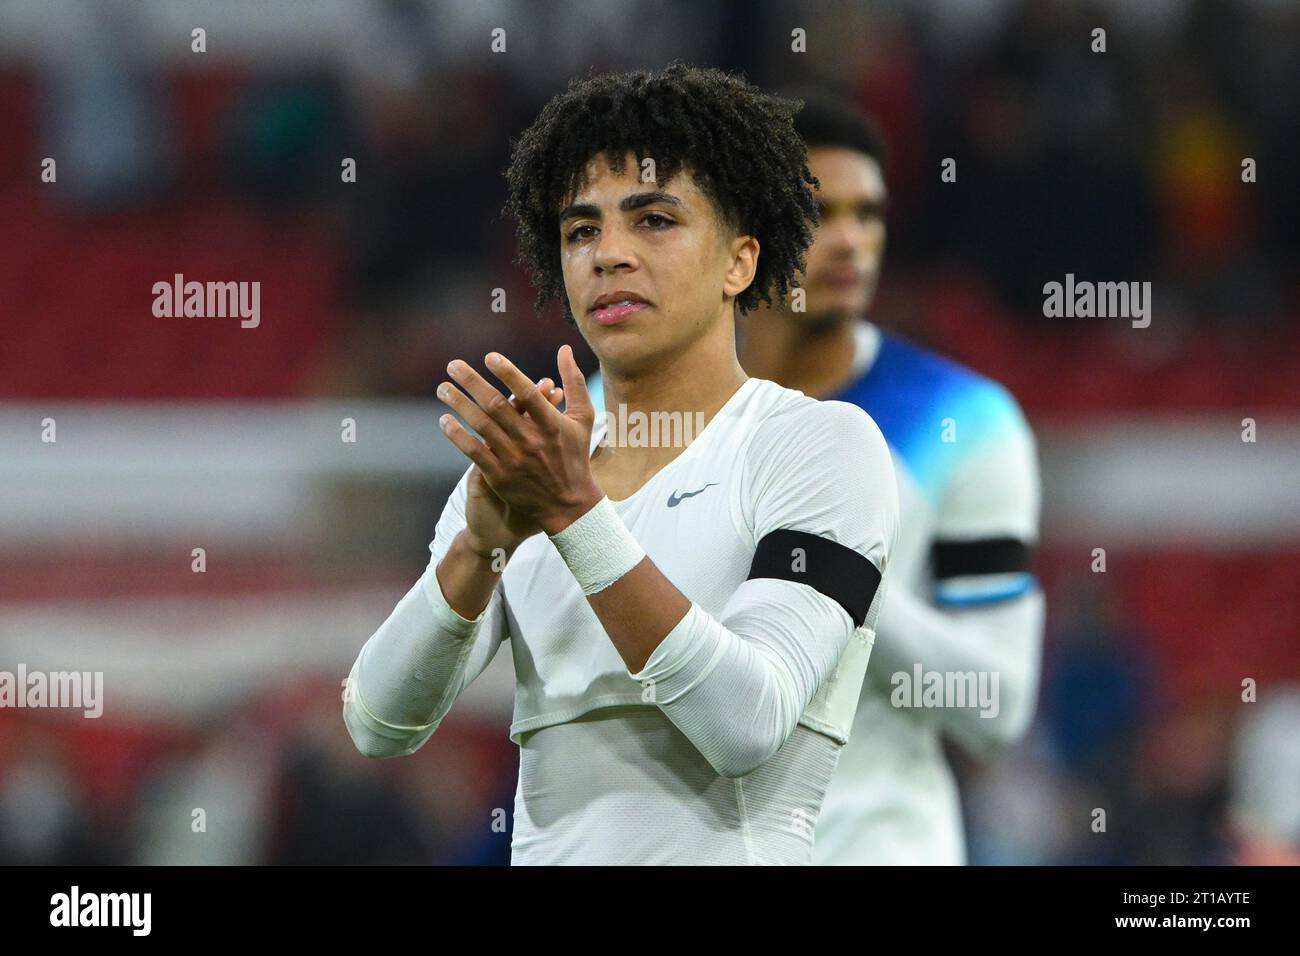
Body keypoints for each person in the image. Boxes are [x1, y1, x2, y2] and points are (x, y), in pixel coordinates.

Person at [342, 65, 898, 865]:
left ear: (740, 262)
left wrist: (575, 515)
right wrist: (479, 549)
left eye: (655, 220)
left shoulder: (817, 447)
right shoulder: (528, 470)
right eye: (581, 231)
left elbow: (748, 724)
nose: (609, 255)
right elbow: (379, 723)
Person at [745, 91, 1045, 865]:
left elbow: (999, 705)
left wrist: (845, 584)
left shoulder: (968, 420)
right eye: (818, 212)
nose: (849, 242)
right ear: (739, 234)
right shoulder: (622, 408)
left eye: (867, 215)